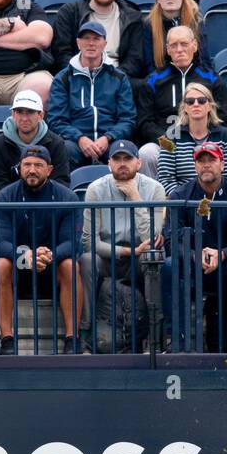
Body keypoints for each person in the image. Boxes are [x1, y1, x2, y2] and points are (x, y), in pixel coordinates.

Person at [161, 142, 227, 352]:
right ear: (195, 166)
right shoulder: (179, 195)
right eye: (201, 161)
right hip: (191, 266)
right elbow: (170, 239)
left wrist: (222, 254)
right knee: (169, 266)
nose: (206, 165)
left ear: (222, 164)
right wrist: (195, 255)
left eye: (211, 160)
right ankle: (176, 337)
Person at [0, 145, 85, 354]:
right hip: (19, 266)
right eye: (27, 165)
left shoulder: (67, 197)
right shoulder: (5, 196)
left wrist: (49, 255)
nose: (32, 170)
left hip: (52, 267)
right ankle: (7, 339)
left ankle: (72, 339)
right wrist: (26, 255)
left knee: (71, 265)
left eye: (38, 165)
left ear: (50, 169)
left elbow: (72, 243)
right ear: (19, 168)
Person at [79, 139, 165, 345]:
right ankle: (86, 333)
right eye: (117, 159)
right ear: (109, 163)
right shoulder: (95, 189)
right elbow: (90, 242)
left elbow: (151, 239)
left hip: (140, 259)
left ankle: (155, 336)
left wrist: (135, 197)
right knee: (86, 260)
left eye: (128, 158)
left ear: (139, 163)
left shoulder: (155, 189)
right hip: (108, 258)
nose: (122, 163)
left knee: (153, 256)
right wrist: (130, 251)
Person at [135, 25, 227, 174]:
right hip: (166, 145)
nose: (179, 49)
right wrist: (169, 145)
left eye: (184, 44)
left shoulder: (212, 79)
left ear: (195, 46)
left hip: (204, 144)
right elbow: (144, 122)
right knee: (146, 153)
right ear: (168, 49)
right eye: (174, 45)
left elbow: (224, 118)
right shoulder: (153, 81)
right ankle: (156, 197)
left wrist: (201, 142)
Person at [47, 20, 136, 171]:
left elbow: (128, 119)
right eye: (86, 38)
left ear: (104, 43)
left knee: (123, 153)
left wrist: (107, 137)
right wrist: (80, 138)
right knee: (64, 150)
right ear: (78, 43)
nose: (91, 43)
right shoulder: (63, 78)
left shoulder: (119, 77)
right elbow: (56, 120)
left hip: (110, 140)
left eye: (96, 39)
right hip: (75, 141)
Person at [52, 0, 145, 75]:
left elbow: (135, 59)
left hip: (118, 77)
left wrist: (114, 79)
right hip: (79, 75)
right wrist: (81, 74)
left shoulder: (133, 16)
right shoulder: (70, 12)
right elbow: (62, 53)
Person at [0, 90, 73, 198]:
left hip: (47, 208)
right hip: (11, 208)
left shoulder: (56, 144)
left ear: (41, 115)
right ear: (13, 114)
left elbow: (61, 183)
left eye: (30, 112)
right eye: (19, 112)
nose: (24, 118)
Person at [157, 81, 227, 195]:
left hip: (217, 200)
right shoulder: (171, 135)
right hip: (182, 202)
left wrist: (209, 198)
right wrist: (186, 199)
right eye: (190, 101)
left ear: (209, 106)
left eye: (202, 100)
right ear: (185, 108)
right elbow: (165, 178)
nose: (196, 104)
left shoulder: (225, 135)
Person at [136, 0, 207, 78]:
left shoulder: (196, 22)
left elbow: (203, 60)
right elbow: (149, 65)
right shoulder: (148, 24)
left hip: (192, 79)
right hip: (161, 81)